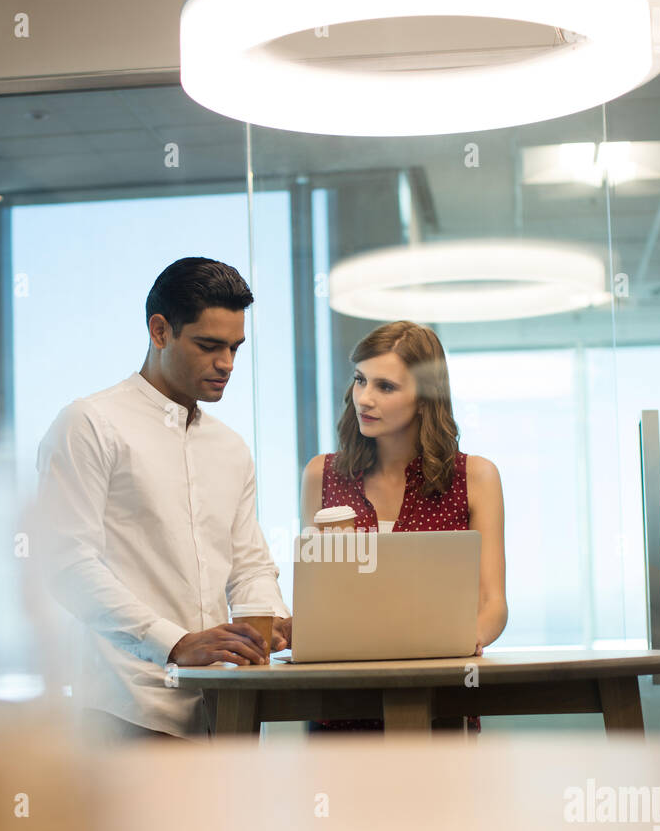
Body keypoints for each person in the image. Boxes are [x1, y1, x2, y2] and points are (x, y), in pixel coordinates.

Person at [35, 257, 292, 743]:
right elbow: (65, 563)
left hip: (228, 708)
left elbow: (250, 565)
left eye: (236, 348)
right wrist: (174, 644)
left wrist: (268, 625)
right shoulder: (88, 424)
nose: (227, 364)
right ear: (159, 331)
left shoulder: (231, 447)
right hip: (127, 711)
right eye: (209, 346)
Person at [299, 320, 507, 733]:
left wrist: (459, 643)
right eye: (360, 381)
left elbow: (493, 605)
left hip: (440, 701)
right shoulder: (321, 474)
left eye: (386, 387)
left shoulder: (476, 477)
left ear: (426, 398)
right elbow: (316, 601)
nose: (365, 399)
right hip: (338, 705)